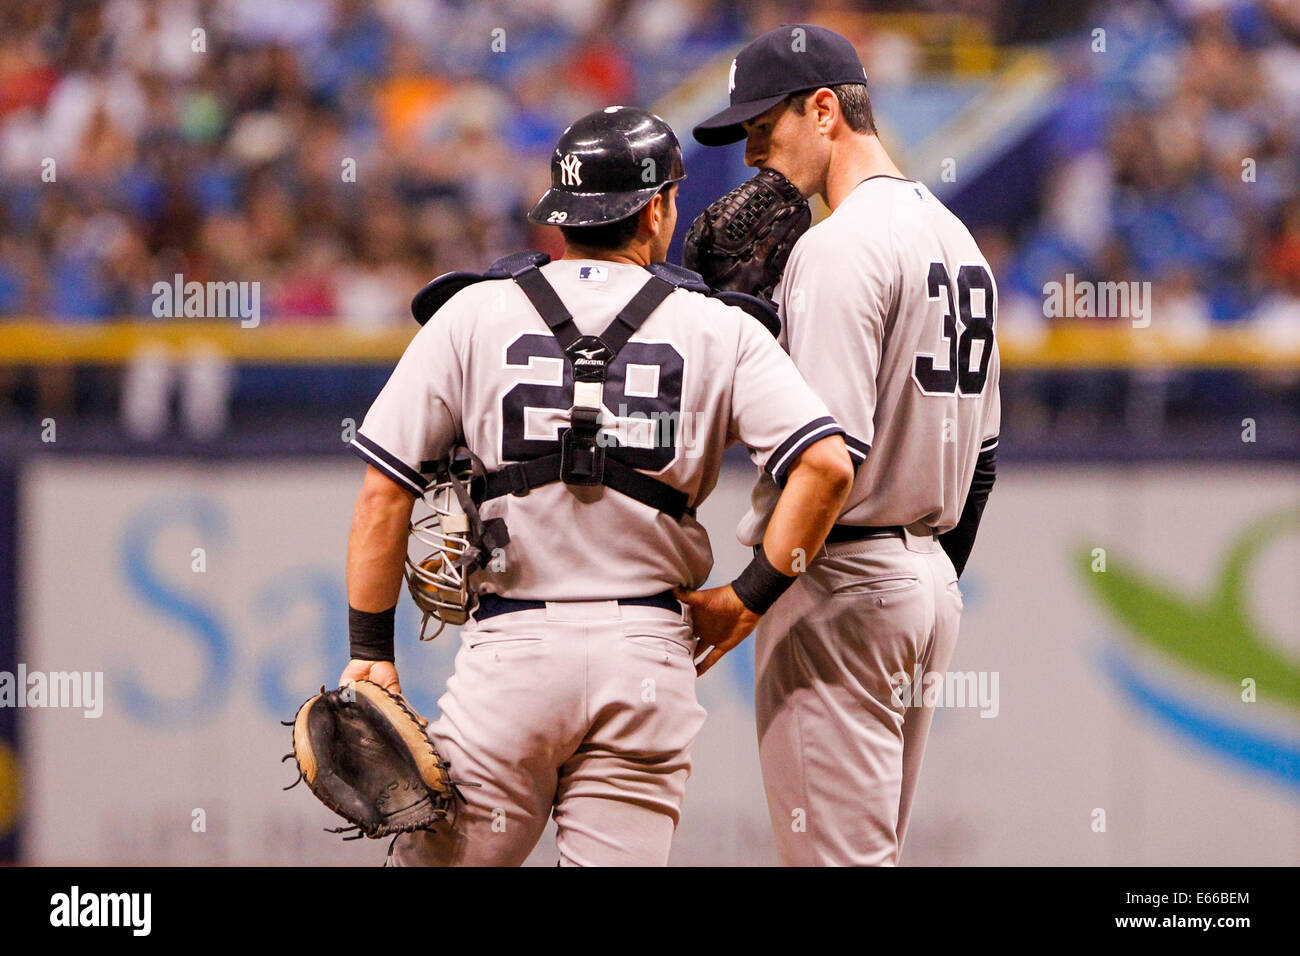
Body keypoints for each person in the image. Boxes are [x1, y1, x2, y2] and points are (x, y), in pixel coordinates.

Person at [339, 106, 854, 866]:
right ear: (656, 208)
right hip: (646, 654)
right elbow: (827, 466)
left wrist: (371, 653)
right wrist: (747, 596)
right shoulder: (720, 327)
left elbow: (384, 494)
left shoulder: (472, 312)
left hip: (512, 651)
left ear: (563, 210)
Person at [686, 25, 1001, 866]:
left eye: (764, 127)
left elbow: (826, 464)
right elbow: (986, 464)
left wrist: (751, 595)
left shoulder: (836, 247)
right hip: (922, 580)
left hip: (838, 576)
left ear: (825, 110)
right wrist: (921, 579)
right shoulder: (958, 239)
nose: (752, 152)